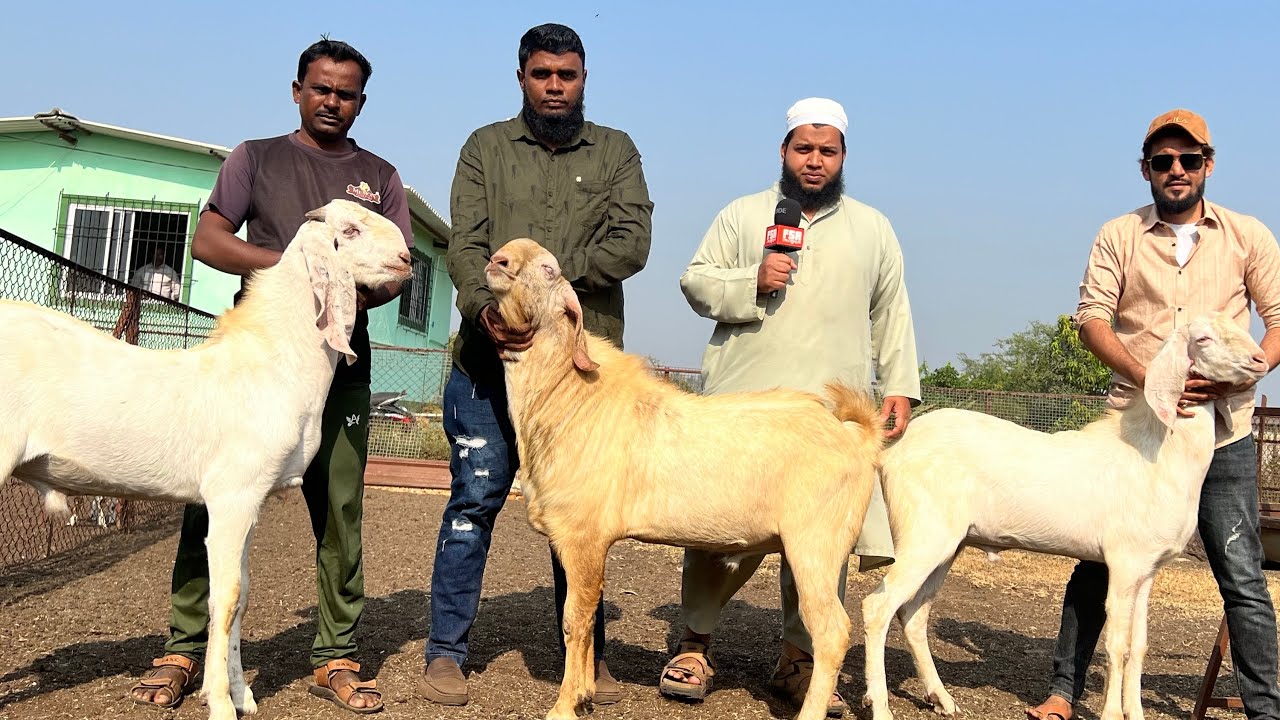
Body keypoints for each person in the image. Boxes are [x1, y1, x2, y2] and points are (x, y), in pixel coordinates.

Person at [128, 37, 412, 715]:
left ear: (361, 102)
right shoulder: (256, 157)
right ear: (297, 90)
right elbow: (209, 237)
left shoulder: (381, 177)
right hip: (248, 364)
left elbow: (397, 268)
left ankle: (336, 654)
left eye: (346, 93)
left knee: (340, 507)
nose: (332, 102)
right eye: (321, 88)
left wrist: (340, 290)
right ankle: (183, 647)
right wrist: (295, 268)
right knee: (211, 497)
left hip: (339, 365)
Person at [420, 22, 653, 708]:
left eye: (568, 74)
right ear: (521, 76)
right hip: (489, 363)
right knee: (474, 500)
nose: (556, 86)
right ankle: (446, 653)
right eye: (543, 74)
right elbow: (467, 245)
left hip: (581, 379)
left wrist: (546, 286)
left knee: (582, 517)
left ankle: (586, 663)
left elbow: (632, 241)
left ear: (584, 78)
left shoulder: (615, 152)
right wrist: (485, 309)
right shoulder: (484, 149)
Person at [664, 97, 921, 716]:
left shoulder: (872, 228)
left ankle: (801, 659)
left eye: (826, 150)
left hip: (827, 418)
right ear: (783, 151)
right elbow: (696, 281)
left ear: (842, 157)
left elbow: (892, 311)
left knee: (821, 540)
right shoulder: (743, 215)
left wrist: (900, 387)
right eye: (803, 148)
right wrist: (750, 279)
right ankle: (694, 643)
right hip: (742, 410)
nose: (814, 160)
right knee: (713, 530)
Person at [1026, 108, 1280, 720]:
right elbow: (1091, 316)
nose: (1176, 170)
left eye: (1188, 159)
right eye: (1162, 161)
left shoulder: (1247, 235)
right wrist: (1153, 380)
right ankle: (1065, 693)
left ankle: (1266, 709)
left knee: (1241, 571)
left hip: (1222, 432)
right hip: (1133, 428)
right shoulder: (1119, 234)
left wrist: (1243, 374)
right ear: (1145, 169)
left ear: (1207, 165)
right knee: (1096, 558)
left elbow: (1278, 321)